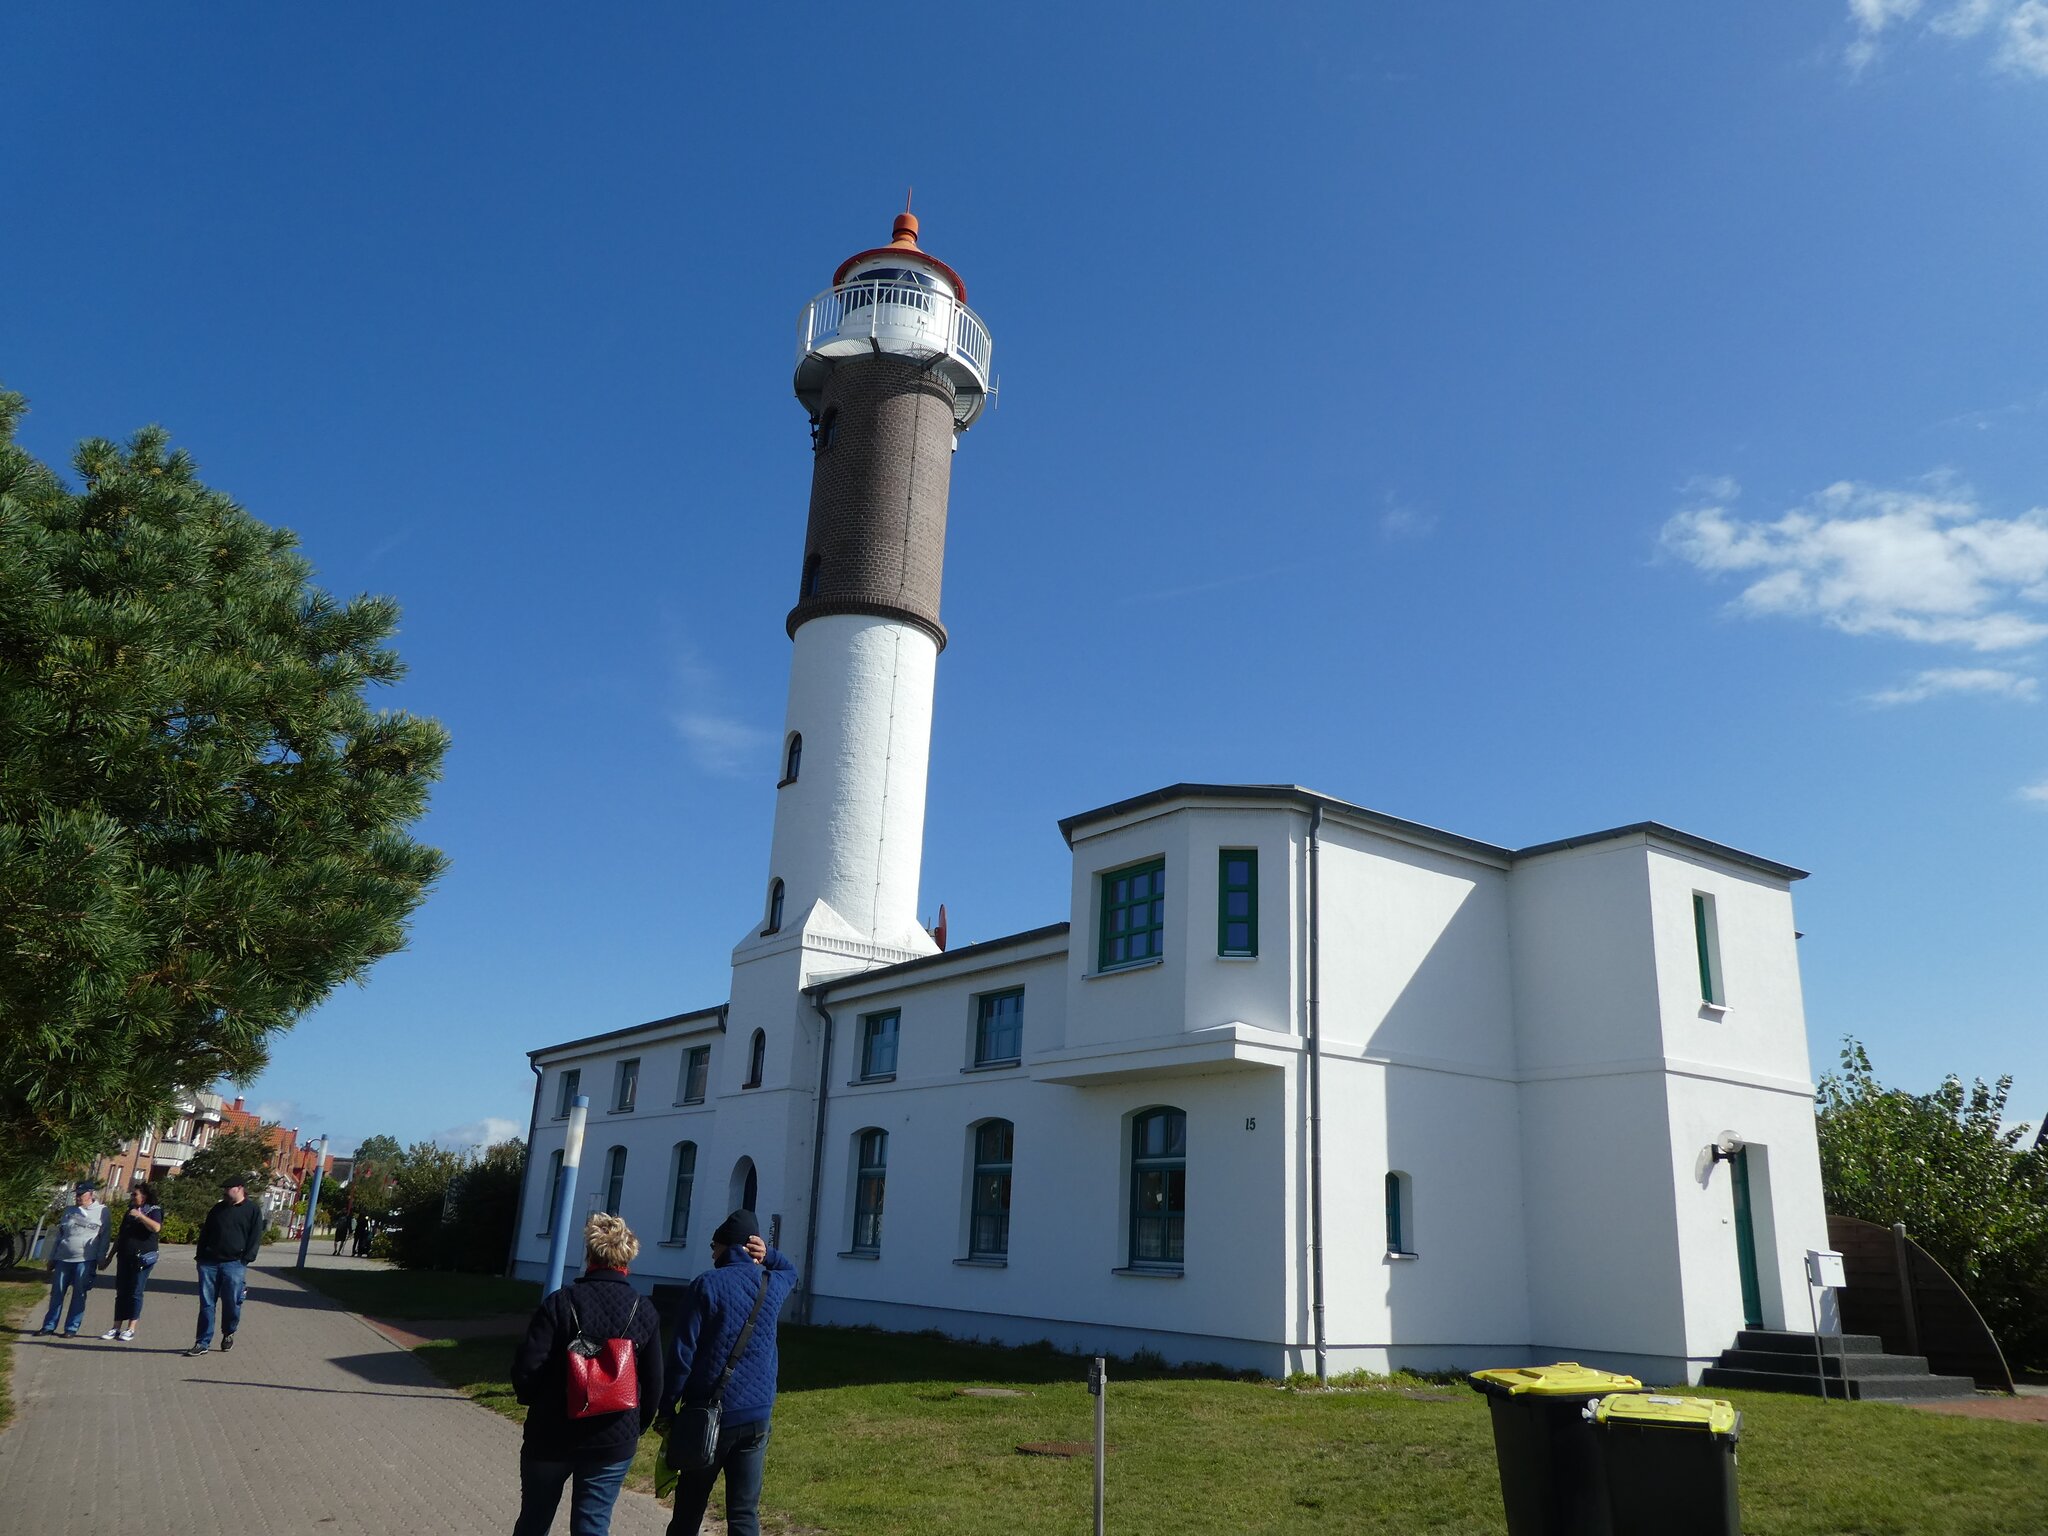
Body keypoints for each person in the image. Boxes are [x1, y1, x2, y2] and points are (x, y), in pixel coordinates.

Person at [509, 1211, 664, 1536]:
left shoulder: (559, 1303)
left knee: (534, 1521)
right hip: (612, 1435)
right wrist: (638, 1423)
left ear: (589, 1254)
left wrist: (533, 1400)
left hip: (552, 1432)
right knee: (592, 1525)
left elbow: (528, 1367)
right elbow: (654, 1381)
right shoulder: (643, 1309)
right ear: (628, 1257)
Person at [662, 1210, 800, 1536]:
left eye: (714, 1245)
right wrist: (769, 1255)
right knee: (743, 1513)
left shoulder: (705, 1285)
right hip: (756, 1416)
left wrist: (667, 1407)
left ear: (727, 1246)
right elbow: (790, 1270)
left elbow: (682, 1355)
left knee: (689, 1508)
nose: (711, 1253)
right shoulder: (772, 1283)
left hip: (708, 1414)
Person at [187, 1173, 264, 1356]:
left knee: (232, 1303)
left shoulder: (252, 1210)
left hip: (234, 1264)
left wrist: (246, 1259)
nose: (224, 1192)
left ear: (239, 1188)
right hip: (209, 1263)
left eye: (227, 1188)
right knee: (207, 1304)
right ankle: (202, 1342)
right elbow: (205, 1232)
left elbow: (255, 1236)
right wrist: (200, 1257)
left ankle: (228, 1332)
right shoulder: (217, 1209)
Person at [39, 1181, 109, 1337]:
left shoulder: (102, 1211)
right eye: (76, 1194)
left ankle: (71, 1328)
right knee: (57, 1293)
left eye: (81, 1194)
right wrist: (52, 1257)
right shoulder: (69, 1211)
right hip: (64, 1258)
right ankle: (49, 1325)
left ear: (91, 1194)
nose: (77, 1197)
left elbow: (104, 1238)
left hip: (85, 1260)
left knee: (79, 1294)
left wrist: (101, 1258)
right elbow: (60, 1235)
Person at [99, 1180, 165, 1342]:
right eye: (132, 1194)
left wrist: (141, 1216)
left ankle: (131, 1328)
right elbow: (121, 1236)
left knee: (135, 1292)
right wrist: (109, 1257)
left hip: (142, 1258)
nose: (132, 1197)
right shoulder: (130, 1211)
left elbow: (156, 1228)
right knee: (121, 1291)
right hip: (125, 1256)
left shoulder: (155, 1210)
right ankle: (116, 1327)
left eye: (135, 1194)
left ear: (145, 1196)